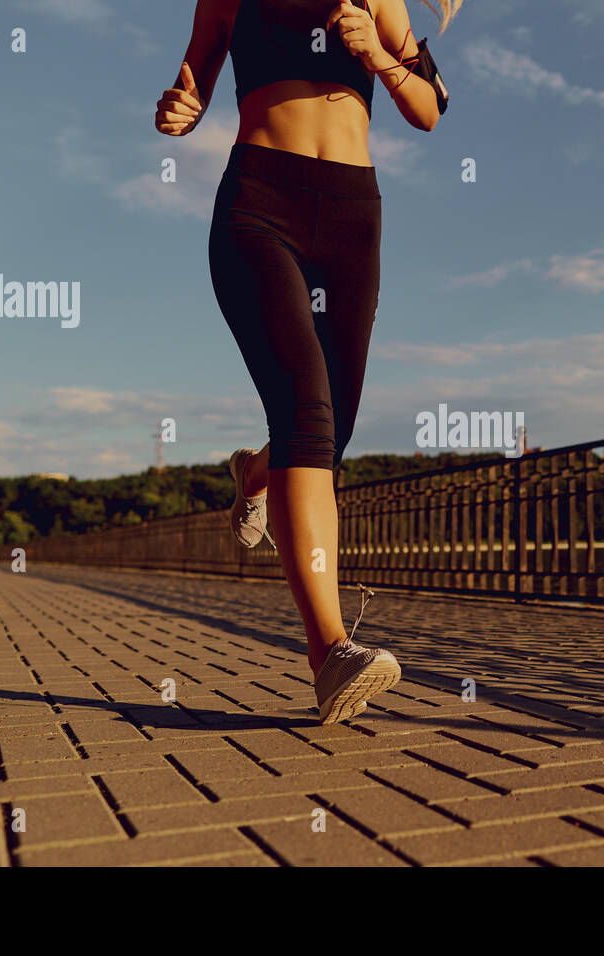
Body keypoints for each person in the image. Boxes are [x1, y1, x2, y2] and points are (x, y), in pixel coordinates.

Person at [155, 0, 460, 723]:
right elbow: (192, 79)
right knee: (308, 417)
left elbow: (430, 109)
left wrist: (380, 59)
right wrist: (181, 106)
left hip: (352, 215)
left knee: (332, 430)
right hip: (259, 203)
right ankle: (330, 653)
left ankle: (256, 472)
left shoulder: (375, 1)